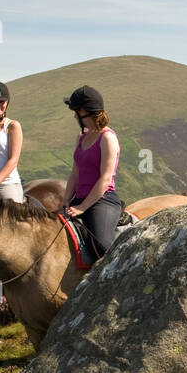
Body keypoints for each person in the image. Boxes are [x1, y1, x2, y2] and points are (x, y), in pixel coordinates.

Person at [63, 85, 124, 258]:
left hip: (102, 200)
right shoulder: (81, 138)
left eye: (76, 111)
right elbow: (75, 173)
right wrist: (66, 200)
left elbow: (105, 179)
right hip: (79, 198)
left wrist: (82, 207)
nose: (75, 116)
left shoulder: (108, 138)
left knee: (101, 245)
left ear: (86, 112)